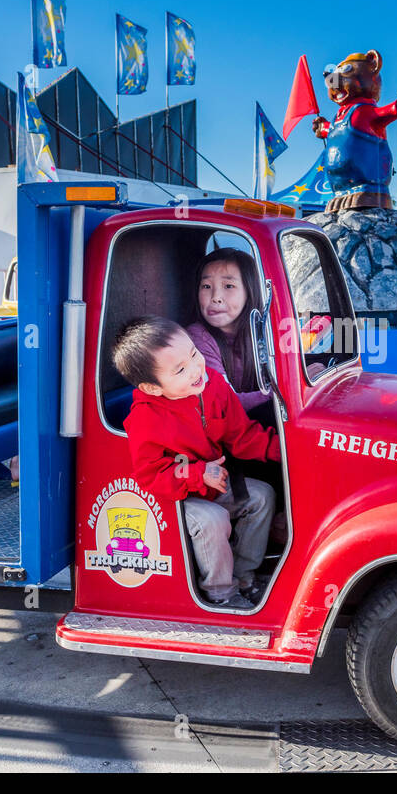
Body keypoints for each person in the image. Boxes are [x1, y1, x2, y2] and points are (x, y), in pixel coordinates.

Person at [114, 315, 279, 610]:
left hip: (212, 484)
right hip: (174, 500)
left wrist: (281, 449)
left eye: (194, 354)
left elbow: (241, 434)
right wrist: (198, 473)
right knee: (212, 520)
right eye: (180, 369)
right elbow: (151, 476)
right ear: (152, 387)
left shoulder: (212, 385)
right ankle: (220, 592)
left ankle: (243, 575)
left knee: (262, 496)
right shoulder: (145, 419)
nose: (195, 369)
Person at [185, 247, 268, 413]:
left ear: (250, 291)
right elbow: (227, 403)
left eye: (228, 286)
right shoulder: (198, 337)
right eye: (206, 286)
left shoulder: (265, 328)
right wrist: (284, 391)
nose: (215, 297)